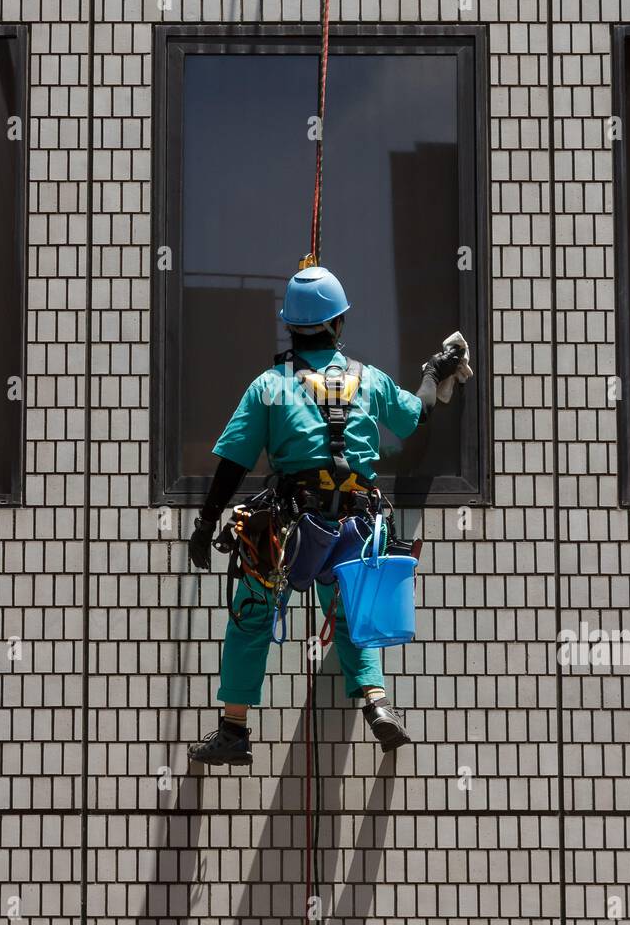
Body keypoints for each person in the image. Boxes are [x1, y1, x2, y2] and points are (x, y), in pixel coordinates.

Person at [186, 265, 468, 766]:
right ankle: (378, 706)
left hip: (291, 529)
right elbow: (417, 415)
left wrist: (207, 524)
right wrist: (433, 373)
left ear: (290, 327)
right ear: (338, 325)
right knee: (349, 613)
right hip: (356, 528)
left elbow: (232, 463)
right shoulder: (370, 380)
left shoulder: (269, 387)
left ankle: (234, 730)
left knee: (251, 616)